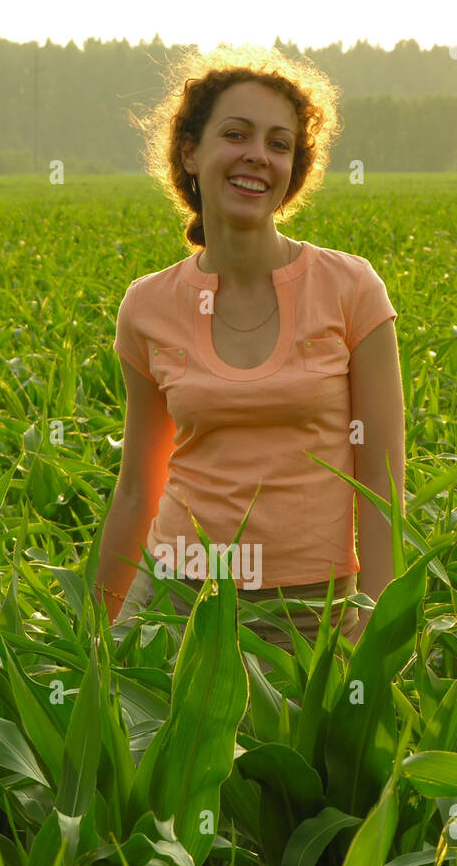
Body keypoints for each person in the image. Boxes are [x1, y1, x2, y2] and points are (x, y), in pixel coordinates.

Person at [93, 44, 405, 676]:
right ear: (190, 152)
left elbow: (382, 483)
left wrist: (378, 625)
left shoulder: (352, 291)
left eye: (279, 143)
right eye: (236, 134)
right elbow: (136, 488)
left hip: (311, 614)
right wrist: (96, 632)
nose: (258, 156)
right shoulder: (148, 306)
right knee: (125, 768)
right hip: (176, 604)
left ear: (295, 167)